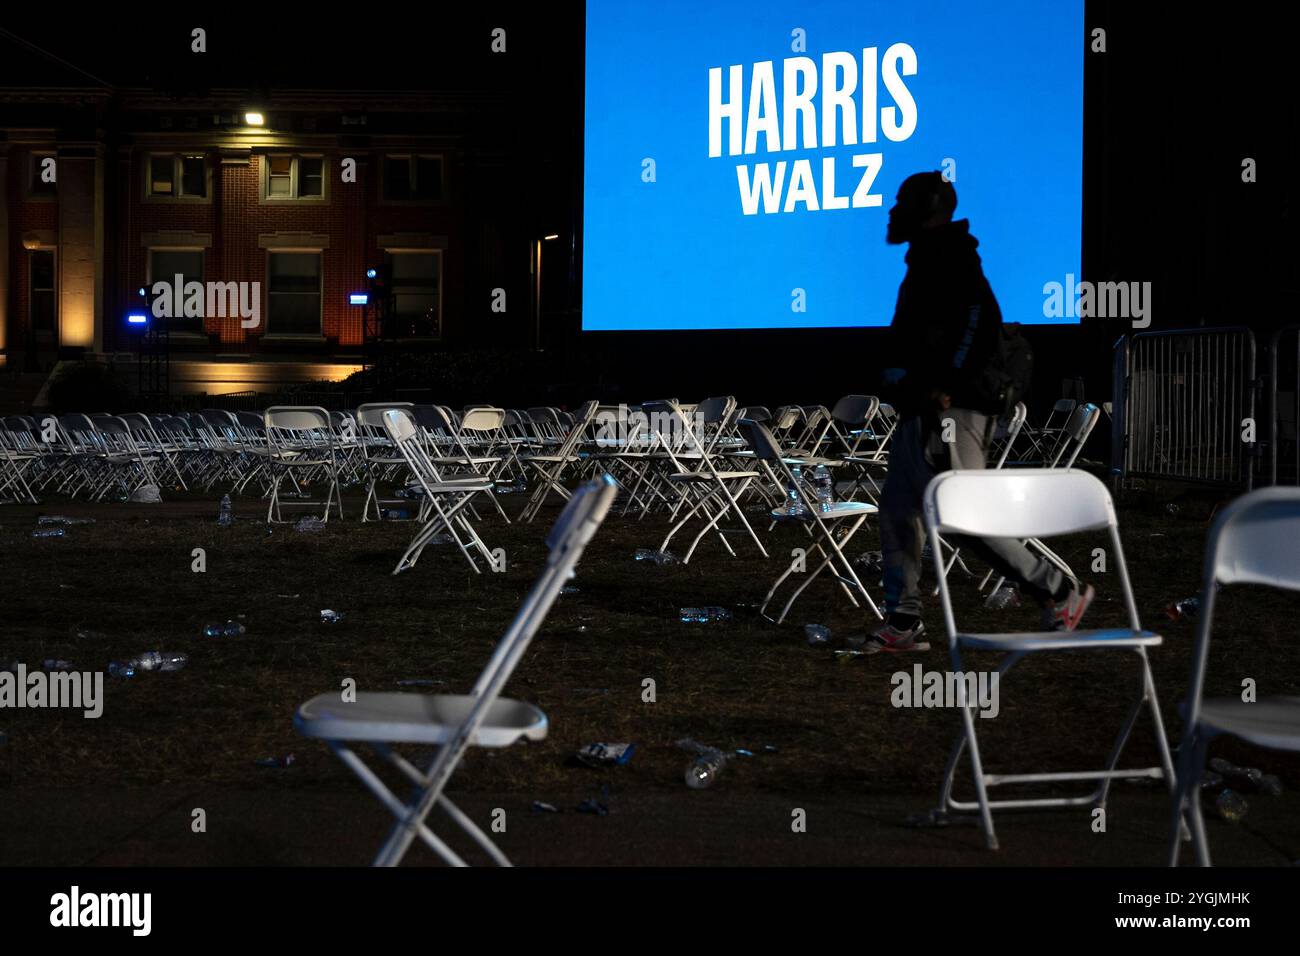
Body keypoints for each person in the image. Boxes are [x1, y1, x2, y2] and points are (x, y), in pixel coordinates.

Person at [865, 171, 1093, 654]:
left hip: (950, 412)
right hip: (921, 411)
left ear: (928, 208)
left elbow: (977, 325)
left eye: (901, 201)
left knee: (962, 514)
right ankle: (903, 623)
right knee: (900, 513)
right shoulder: (927, 259)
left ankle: (1059, 591)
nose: (891, 210)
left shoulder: (952, 259)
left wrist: (945, 385)